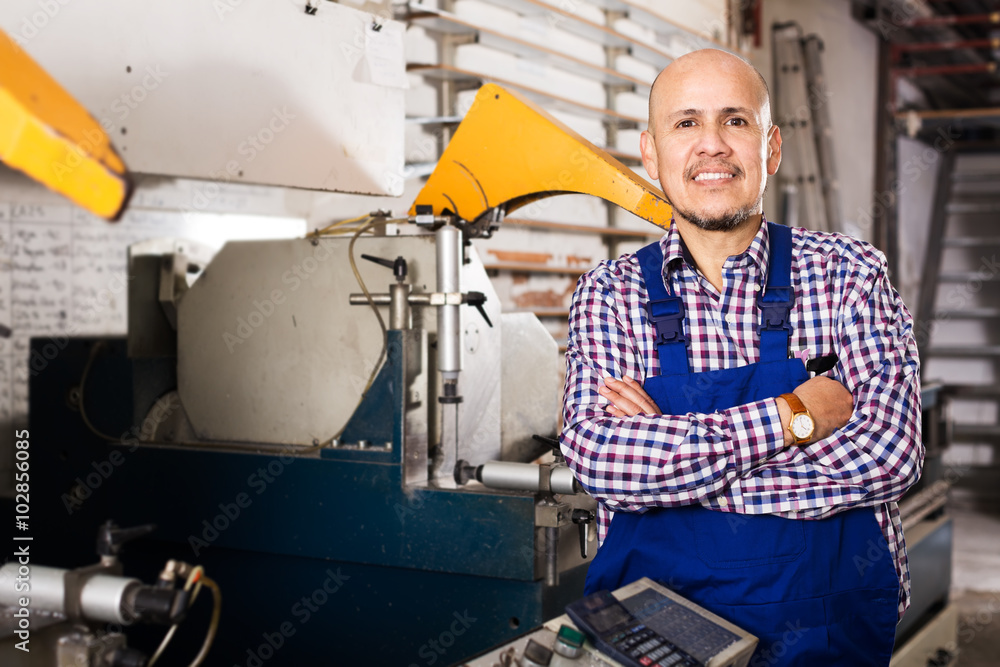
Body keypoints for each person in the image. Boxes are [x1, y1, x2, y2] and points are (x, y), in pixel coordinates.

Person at [560, 49, 922, 667]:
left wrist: (669, 468)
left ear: (770, 148)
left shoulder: (850, 274)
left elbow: (890, 455)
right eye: (686, 123)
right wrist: (792, 418)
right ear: (651, 153)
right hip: (655, 632)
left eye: (735, 120)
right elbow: (599, 460)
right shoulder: (609, 295)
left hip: (826, 633)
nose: (712, 145)